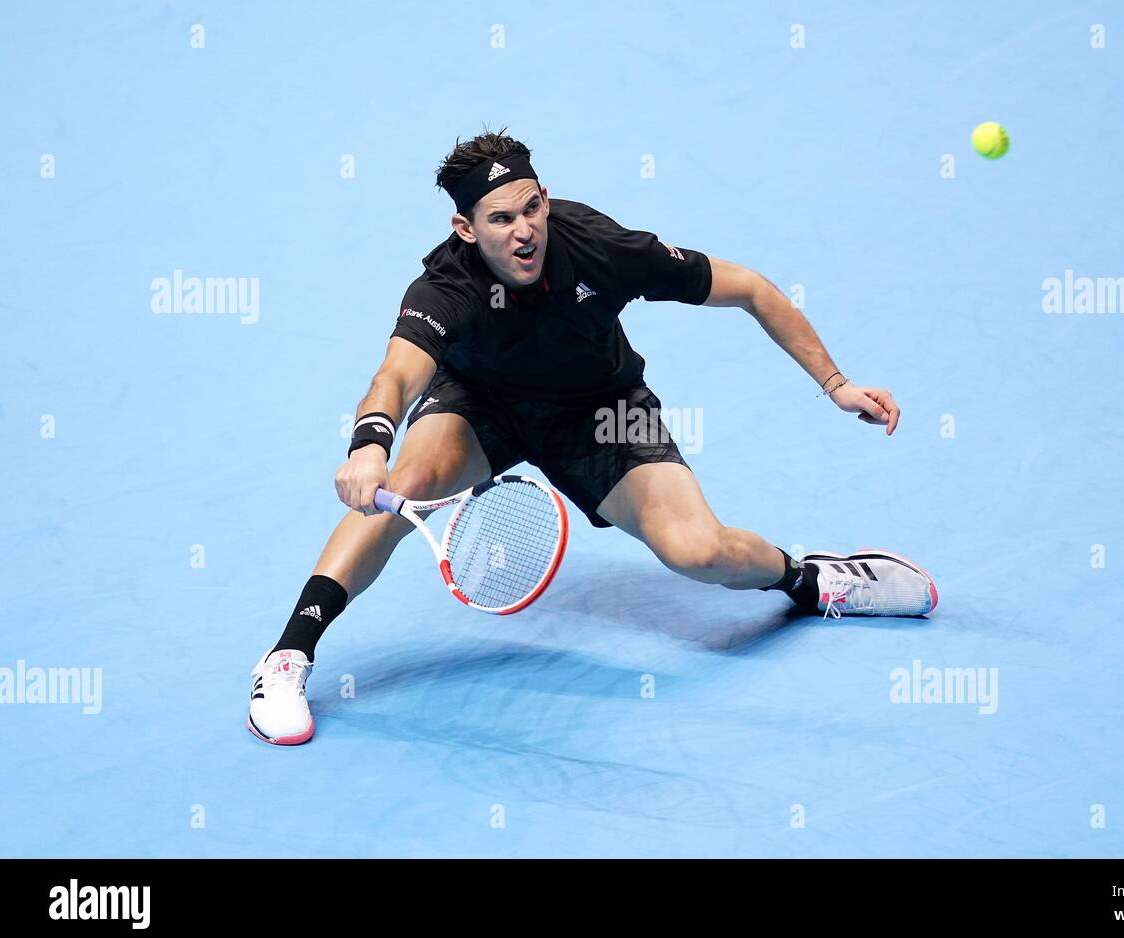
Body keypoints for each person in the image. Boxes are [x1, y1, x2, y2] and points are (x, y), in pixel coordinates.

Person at [248, 129, 937, 745]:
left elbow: (749, 288)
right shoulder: (444, 288)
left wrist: (836, 382)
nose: (523, 231)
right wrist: (369, 442)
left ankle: (813, 579)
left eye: (531, 208)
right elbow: (395, 376)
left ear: (546, 198)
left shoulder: (598, 248)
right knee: (402, 486)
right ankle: (286, 657)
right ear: (464, 227)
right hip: (482, 407)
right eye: (499, 218)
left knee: (699, 550)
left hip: (600, 410)